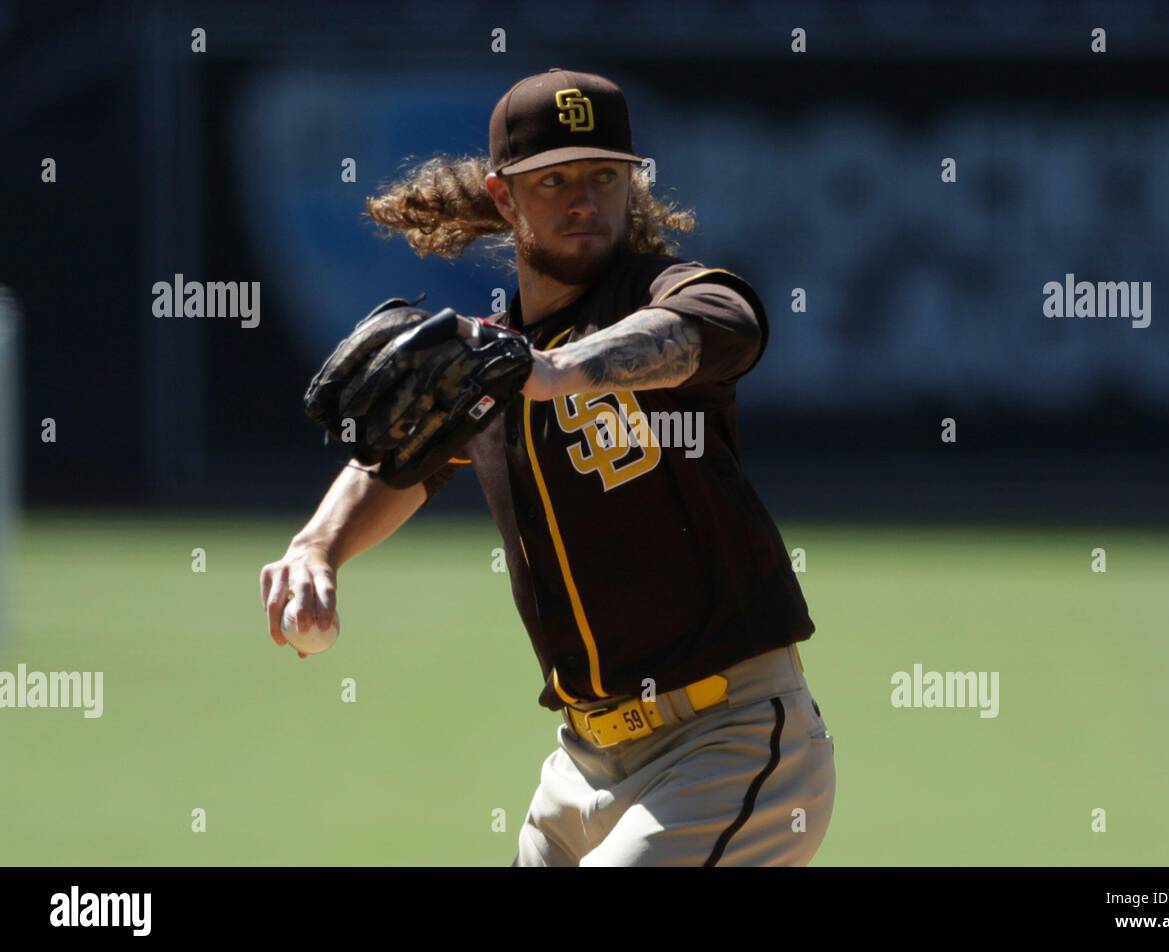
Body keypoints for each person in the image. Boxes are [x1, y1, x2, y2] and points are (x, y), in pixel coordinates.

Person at [260, 68, 835, 866]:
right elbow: (398, 459)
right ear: (504, 196)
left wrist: (557, 369)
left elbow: (725, 321)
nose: (582, 199)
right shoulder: (490, 369)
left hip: (727, 741)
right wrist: (317, 546)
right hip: (580, 769)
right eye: (554, 179)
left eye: (604, 176)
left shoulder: (653, 299)